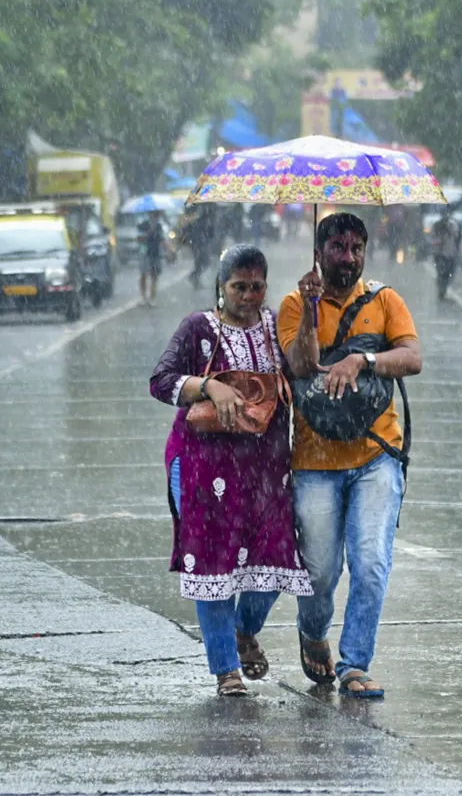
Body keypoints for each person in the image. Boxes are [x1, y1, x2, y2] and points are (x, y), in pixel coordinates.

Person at [149, 244, 312, 697]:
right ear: (221, 287)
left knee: (278, 556)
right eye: (239, 286)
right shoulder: (198, 328)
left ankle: (244, 631)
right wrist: (209, 387)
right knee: (211, 565)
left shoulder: (276, 326)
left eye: (257, 286)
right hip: (203, 465)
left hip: (265, 470)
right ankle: (226, 670)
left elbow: (302, 368)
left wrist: (312, 307)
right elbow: (160, 381)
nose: (249, 295)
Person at [278, 212, 423, 699]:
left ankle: (355, 662)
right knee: (319, 570)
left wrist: (364, 358)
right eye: (338, 247)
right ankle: (312, 630)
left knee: (371, 562)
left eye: (356, 248)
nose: (348, 257)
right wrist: (313, 311)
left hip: (377, 454)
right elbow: (298, 365)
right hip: (314, 461)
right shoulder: (296, 304)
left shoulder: (385, 301)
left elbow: (412, 357)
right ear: (319, 252)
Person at [137, 210, 166, 306]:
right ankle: (143, 297)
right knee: (144, 274)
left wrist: (169, 250)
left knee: (154, 275)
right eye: (155, 213)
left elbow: (162, 239)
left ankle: (152, 298)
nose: (156, 216)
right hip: (145, 252)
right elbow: (139, 238)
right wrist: (149, 232)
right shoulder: (143, 224)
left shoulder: (159, 226)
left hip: (156, 253)